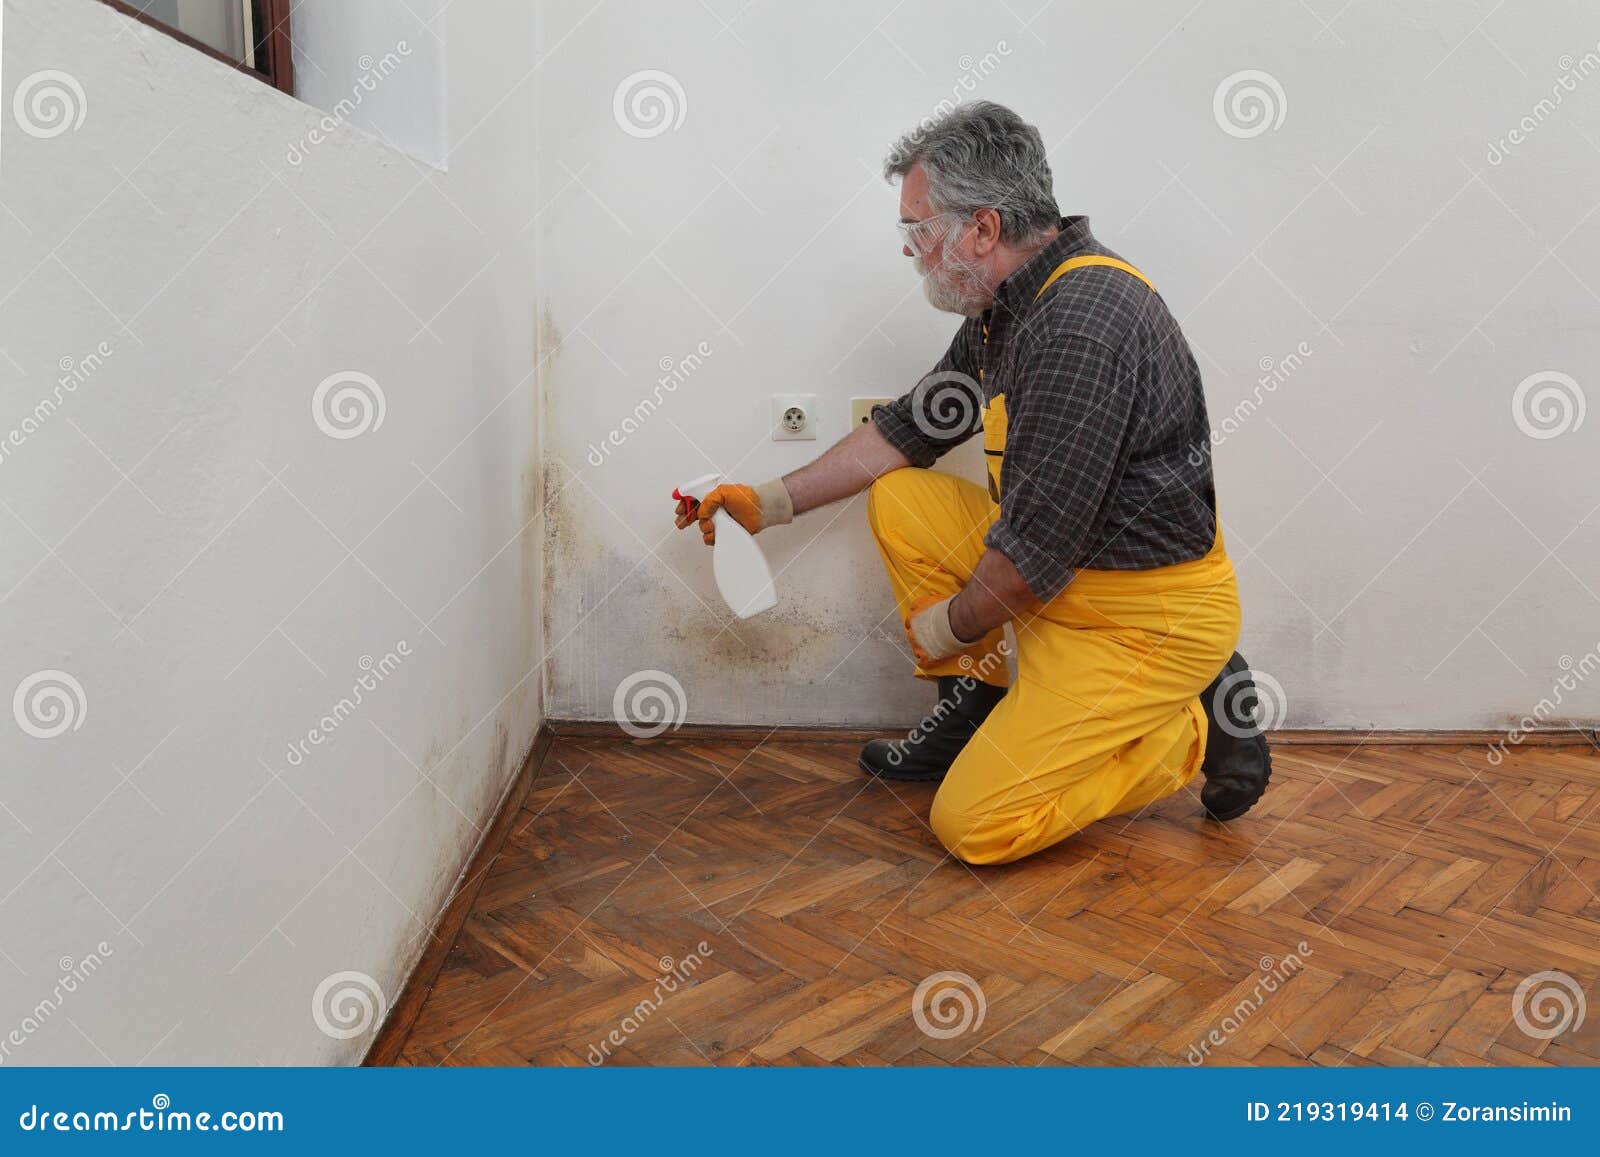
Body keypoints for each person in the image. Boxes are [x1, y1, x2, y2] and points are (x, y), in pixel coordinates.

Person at [673, 102, 1271, 865]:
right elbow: (908, 430)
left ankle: (1183, 725)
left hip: (1133, 617)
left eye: (919, 231)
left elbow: (1026, 564)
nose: (911, 252)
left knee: (975, 826)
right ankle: (967, 712)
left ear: (982, 229)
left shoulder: (1079, 326)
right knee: (902, 496)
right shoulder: (1011, 305)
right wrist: (769, 503)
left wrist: (945, 627)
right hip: (1072, 579)